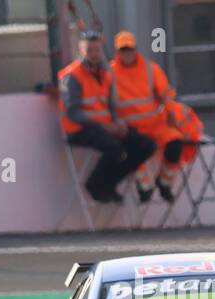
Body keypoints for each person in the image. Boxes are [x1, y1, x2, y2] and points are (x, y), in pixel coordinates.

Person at [58, 30, 156, 204]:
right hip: (79, 129)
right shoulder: (71, 76)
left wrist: (118, 122)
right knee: (115, 148)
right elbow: (73, 112)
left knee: (146, 145)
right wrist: (105, 126)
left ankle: (108, 184)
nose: (94, 54)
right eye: (90, 50)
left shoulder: (107, 73)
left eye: (97, 50)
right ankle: (95, 186)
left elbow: (110, 106)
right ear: (81, 51)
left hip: (104, 127)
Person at [109, 31, 177, 202]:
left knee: (175, 144)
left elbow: (165, 94)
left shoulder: (150, 68)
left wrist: (171, 113)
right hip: (129, 127)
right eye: (123, 50)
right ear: (117, 52)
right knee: (136, 148)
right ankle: (144, 187)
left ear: (136, 49)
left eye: (129, 49)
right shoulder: (110, 73)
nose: (127, 53)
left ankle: (165, 183)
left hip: (155, 124)